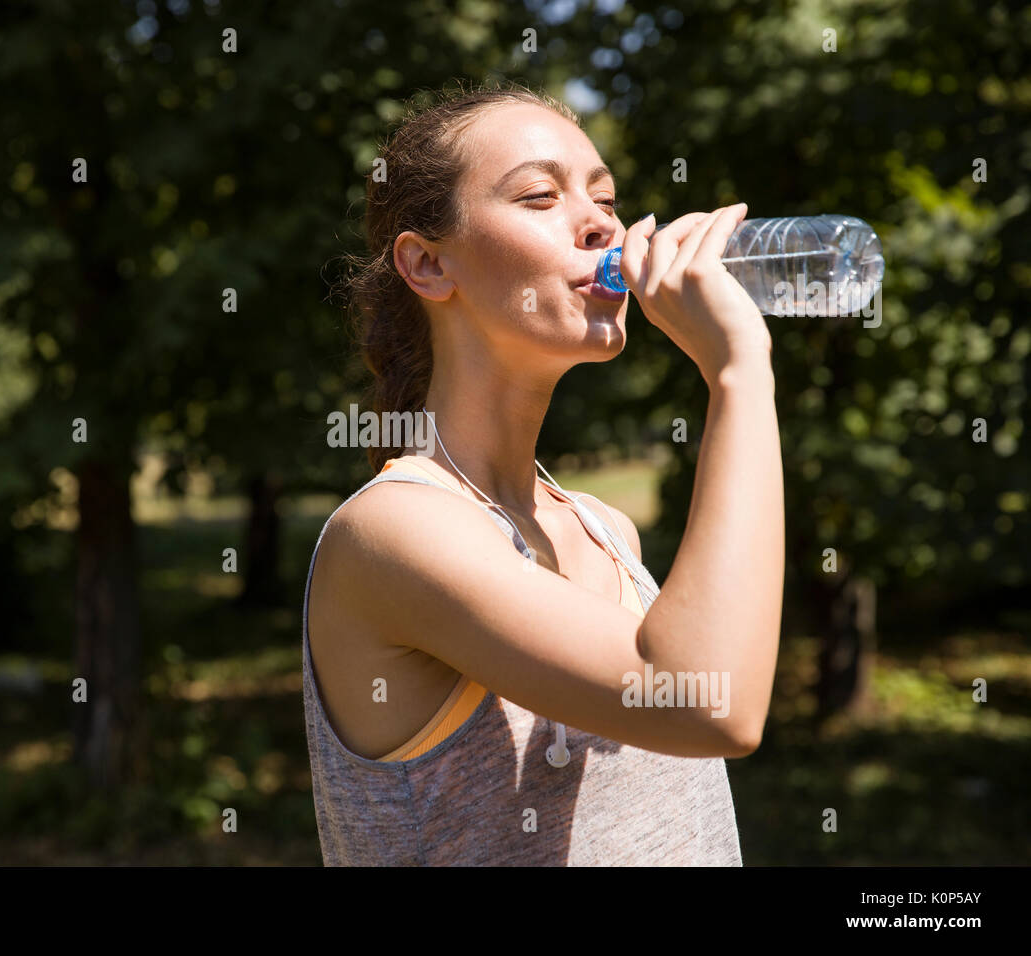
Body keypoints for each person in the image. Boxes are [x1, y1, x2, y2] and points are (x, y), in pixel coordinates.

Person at [302, 80, 784, 865]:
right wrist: (738, 372)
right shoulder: (393, 533)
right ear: (428, 265)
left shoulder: (605, 531)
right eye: (539, 196)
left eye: (606, 197)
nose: (602, 222)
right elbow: (712, 705)